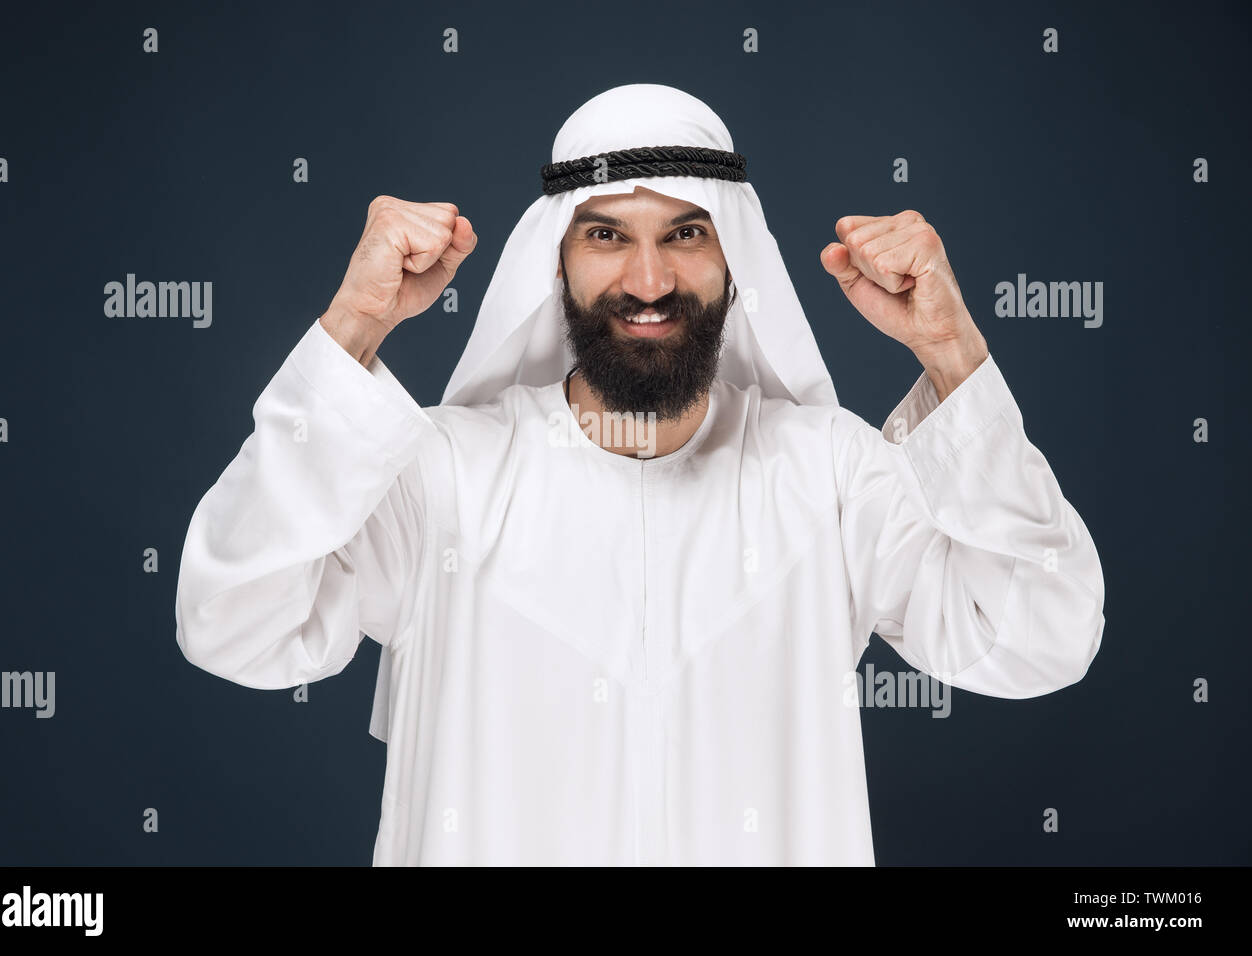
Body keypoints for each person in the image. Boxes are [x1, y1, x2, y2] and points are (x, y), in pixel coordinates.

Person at [175, 84, 1105, 865]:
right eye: (607, 236)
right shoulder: (443, 474)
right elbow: (236, 624)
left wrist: (950, 350)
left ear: (734, 260)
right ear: (558, 262)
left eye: (686, 233)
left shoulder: (828, 473)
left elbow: (1044, 636)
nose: (649, 280)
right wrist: (354, 324)